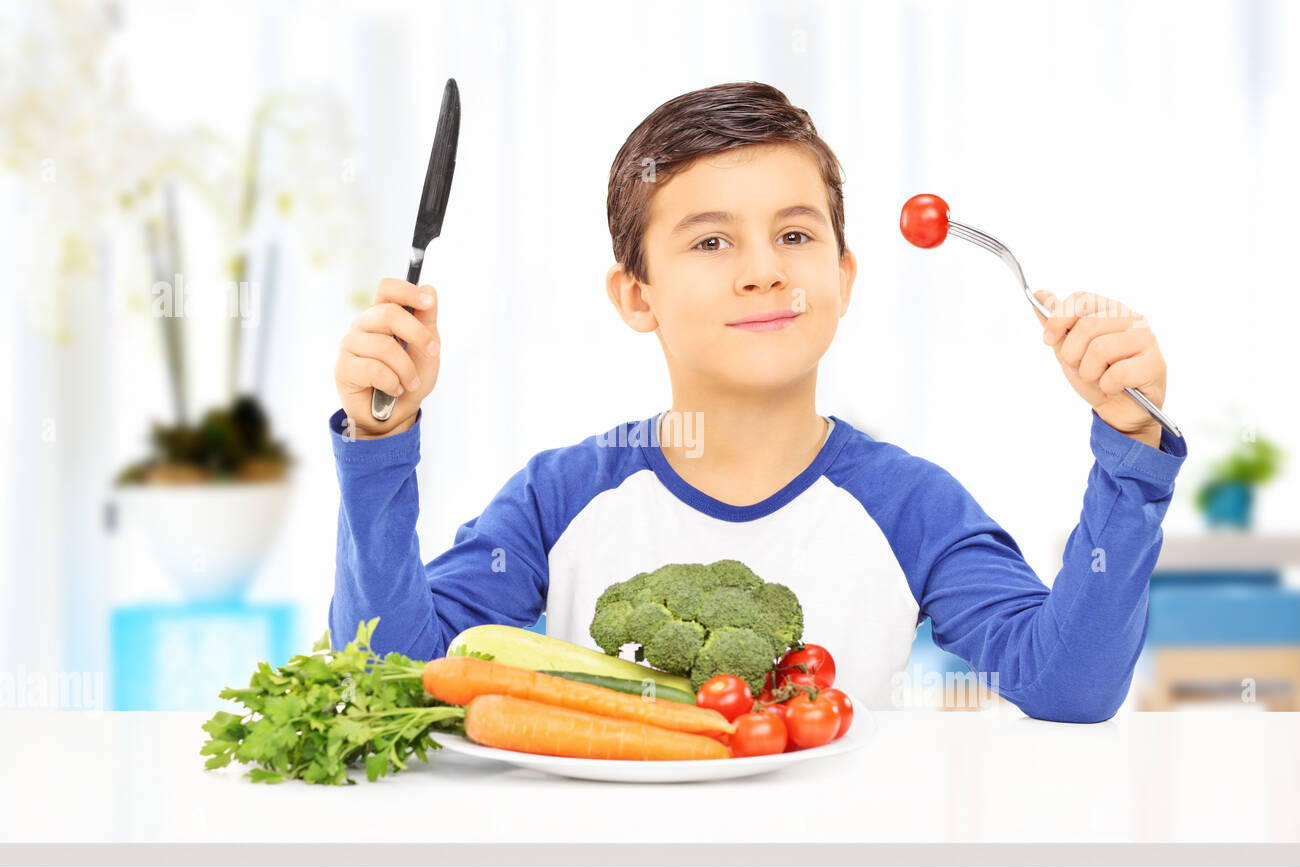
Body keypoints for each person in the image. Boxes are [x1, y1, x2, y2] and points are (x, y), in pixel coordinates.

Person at [328, 81, 1187, 721]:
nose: (765, 268)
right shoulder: (559, 498)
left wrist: (1129, 446)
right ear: (636, 297)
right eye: (710, 240)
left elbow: (1067, 685)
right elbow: (388, 675)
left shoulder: (912, 505)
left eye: (796, 234)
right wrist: (380, 444)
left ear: (842, 280)